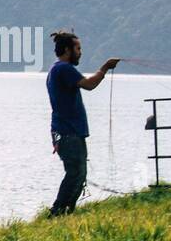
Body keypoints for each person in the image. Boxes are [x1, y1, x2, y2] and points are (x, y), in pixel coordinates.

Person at [45, 31, 119, 216]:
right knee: (75, 173)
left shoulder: (57, 69)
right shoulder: (64, 69)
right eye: (78, 48)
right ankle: (57, 212)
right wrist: (104, 68)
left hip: (70, 132)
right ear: (68, 49)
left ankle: (67, 213)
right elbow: (89, 84)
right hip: (68, 132)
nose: (80, 52)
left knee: (79, 173)